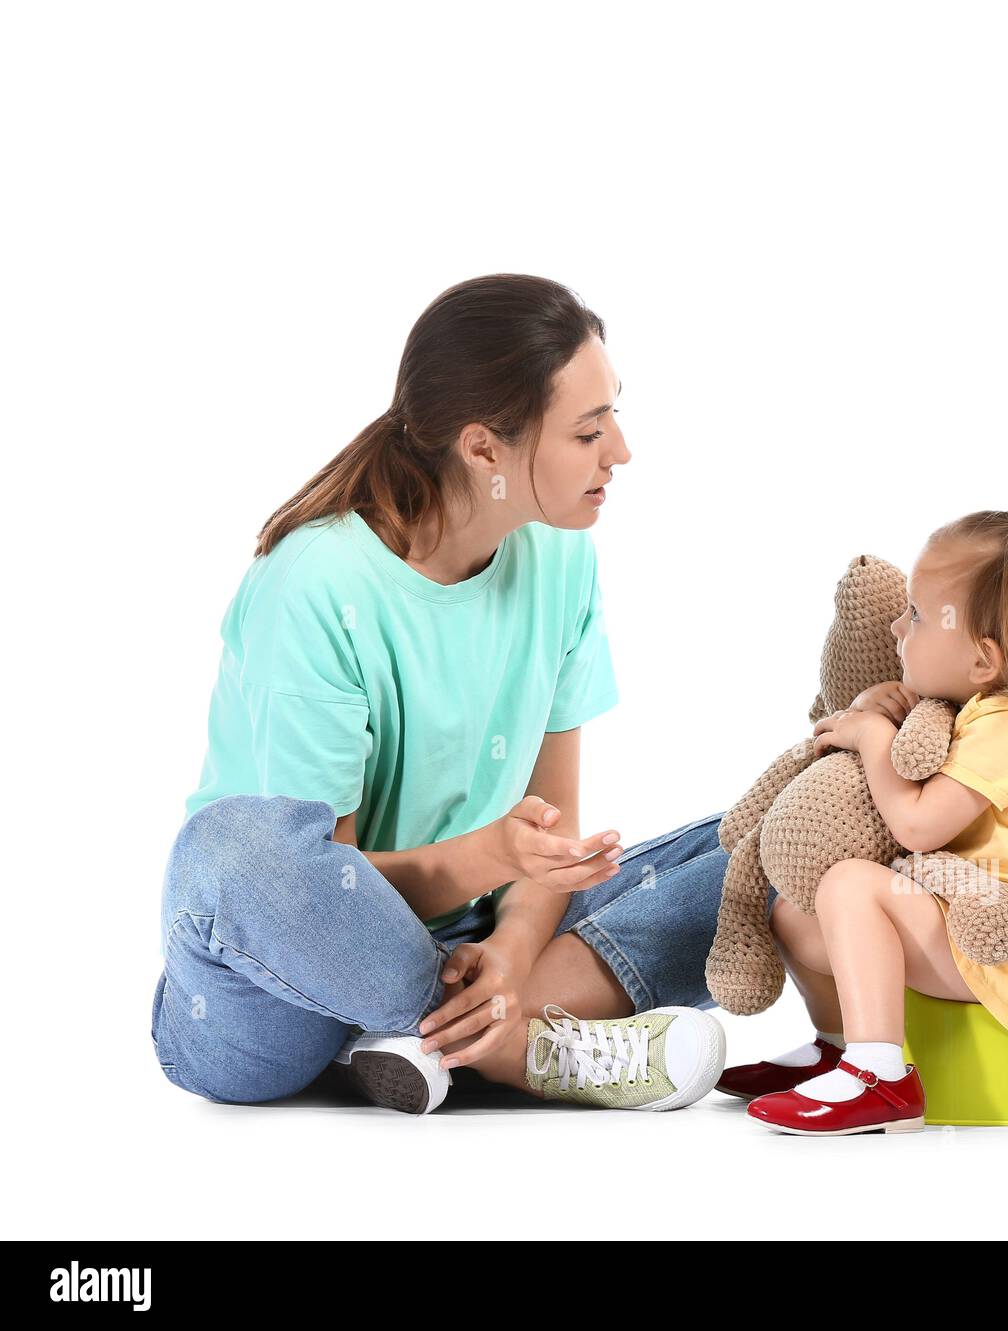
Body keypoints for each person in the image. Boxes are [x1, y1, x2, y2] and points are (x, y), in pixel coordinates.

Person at [150, 273, 728, 1115]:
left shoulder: (561, 559)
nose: (621, 451)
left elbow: (550, 833)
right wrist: (490, 858)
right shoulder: (317, 585)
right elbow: (322, 883)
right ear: (484, 447)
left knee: (776, 836)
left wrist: (515, 945)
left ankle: (429, 1035)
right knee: (232, 850)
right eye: (588, 430)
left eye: (613, 418)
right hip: (274, 990)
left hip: (473, 937)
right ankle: (520, 1044)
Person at [719, 502, 1008, 1135]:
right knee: (798, 907)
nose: (899, 631)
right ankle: (838, 1042)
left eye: (917, 615)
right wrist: (876, 709)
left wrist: (874, 736)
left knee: (849, 884)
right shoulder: (967, 707)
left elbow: (918, 826)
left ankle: (881, 1076)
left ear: (983, 659)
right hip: (968, 911)